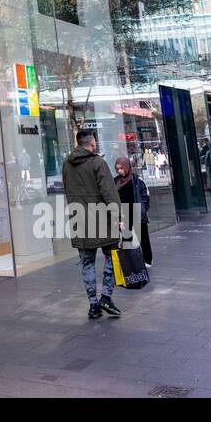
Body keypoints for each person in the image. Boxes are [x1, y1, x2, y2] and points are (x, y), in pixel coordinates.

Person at [62, 129, 123, 320]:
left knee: (87, 263)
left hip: (79, 220)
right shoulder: (98, 162)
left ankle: (93, 306)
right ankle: (106, 297)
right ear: (92, 143)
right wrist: (118, 217)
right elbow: (109, 192)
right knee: (112, 257)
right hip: (102, 219)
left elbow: (67, 189)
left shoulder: (66, 165)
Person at [114, 156, 152, 265]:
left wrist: (143, 209)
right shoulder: (116, 181)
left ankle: (147, 260)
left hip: (137, 212)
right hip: (124, 214)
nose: (120, 171)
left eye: (122, 168)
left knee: (143, 238)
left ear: (127, 166)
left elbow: (145, 195)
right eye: (118, 169)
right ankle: (129, 261)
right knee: (126, 239)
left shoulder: (136, 180)